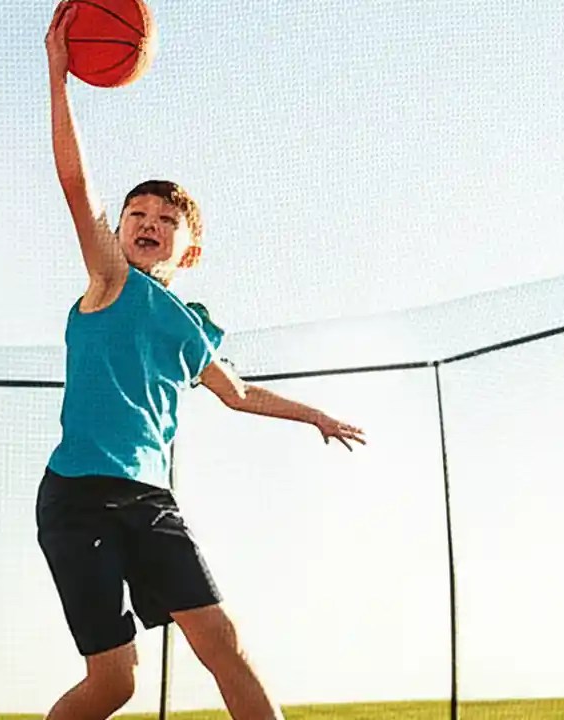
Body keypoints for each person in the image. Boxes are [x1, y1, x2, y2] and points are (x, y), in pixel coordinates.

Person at [37, 3, 366, 719]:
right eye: (137, 217)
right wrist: (58, 79)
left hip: (149, 503)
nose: (149, 225)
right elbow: (74, 183)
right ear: (118, 233)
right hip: (78, 499)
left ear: (189, 248)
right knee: (114, 682)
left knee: (224, 642)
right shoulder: (109, 281)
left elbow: (238, 393)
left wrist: (313, 414)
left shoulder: (189, 325)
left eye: (166, 221)